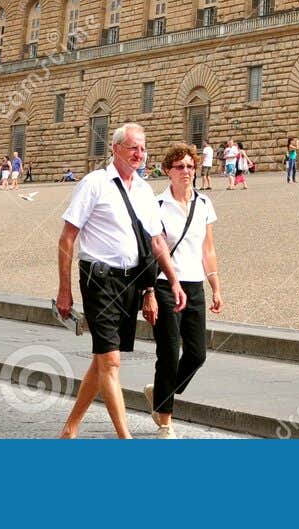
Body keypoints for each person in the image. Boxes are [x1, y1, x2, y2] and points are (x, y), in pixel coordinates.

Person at [55, 123, 185, 439]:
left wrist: (172, 282)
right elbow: (67, 237)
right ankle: (125, 440)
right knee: (111, 361)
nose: (139, 154)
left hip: (130, 284)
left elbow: (155, 243)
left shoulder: (143, 191)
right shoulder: (93, 184)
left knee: (102, 360)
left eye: (143, 148)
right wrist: (64, 288)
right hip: (99, 281)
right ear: (115, 149)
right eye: (133, 148)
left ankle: (70, 430)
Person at [143, 144, 222, 438]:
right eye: (180, 167)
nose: (186, 172)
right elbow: (156, 250)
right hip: (165, 284)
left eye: (190, 166)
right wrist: (152, 290)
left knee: (197, 354)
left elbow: (208, 249)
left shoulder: (204, 204)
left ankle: (161, 393)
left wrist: (215, 286)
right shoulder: (157, 205)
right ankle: (165, 423)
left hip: (195, 283)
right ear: (168, 171)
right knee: (168, 350)